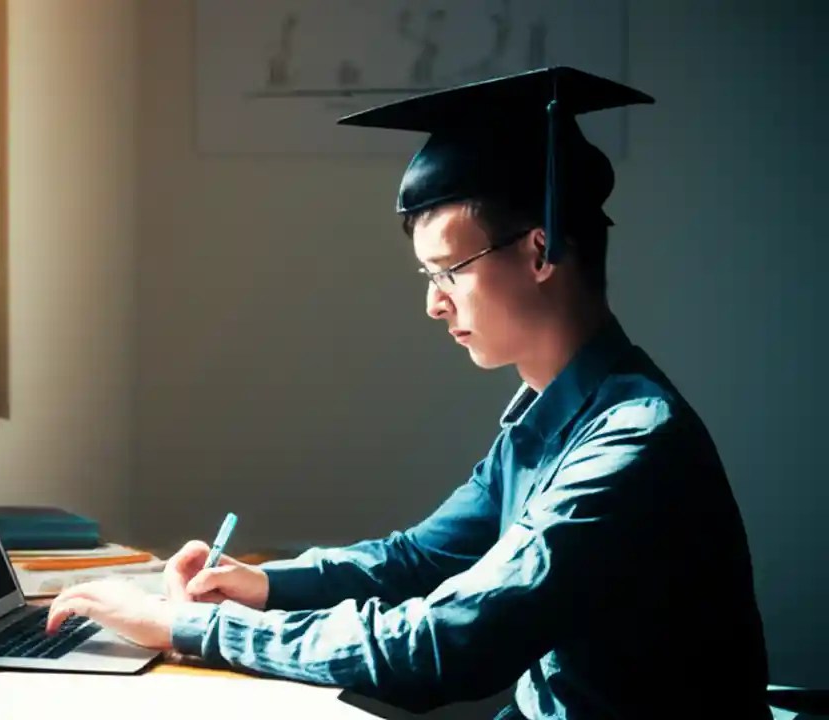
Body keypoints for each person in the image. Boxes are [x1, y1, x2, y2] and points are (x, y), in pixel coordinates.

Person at [45, 67, 770, 719]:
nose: (435, 304)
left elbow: (443, 647)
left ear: (541, 251)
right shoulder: (547, 423)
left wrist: (188, 628)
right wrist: (259, 587)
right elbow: (416, 560)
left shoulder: (631, 444)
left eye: (449, 271)